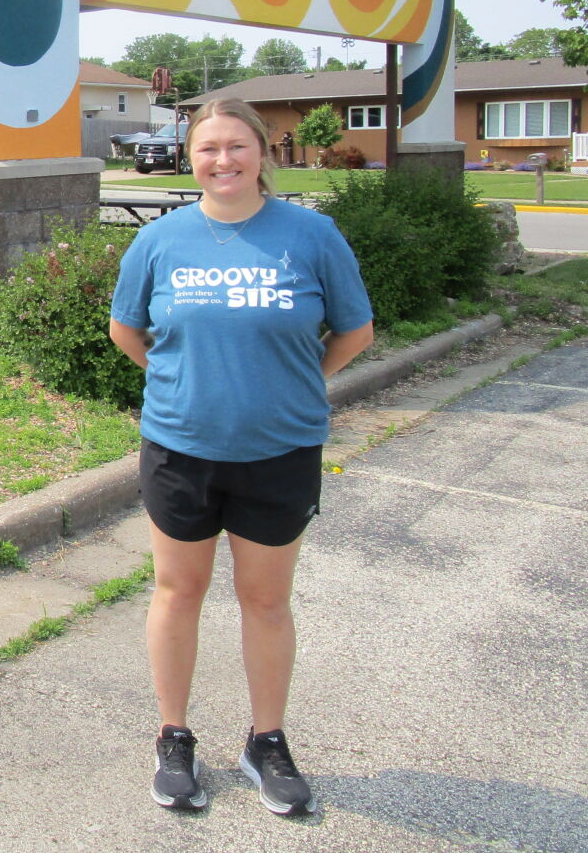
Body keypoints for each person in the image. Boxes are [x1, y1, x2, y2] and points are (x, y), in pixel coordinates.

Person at [107, 97, 373, 818]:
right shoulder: (160, 242)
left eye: (236, 146)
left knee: (265, 599)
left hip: (279, 450)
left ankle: (266, 741)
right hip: (179, 449)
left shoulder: (311, 235)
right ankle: (173, 736)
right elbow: (126, 329)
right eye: (207, 148)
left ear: (263, 152)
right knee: (177, 592)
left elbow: (355, 331)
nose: (222, 160)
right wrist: (179, 380)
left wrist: (303, 381)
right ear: (190, 158)